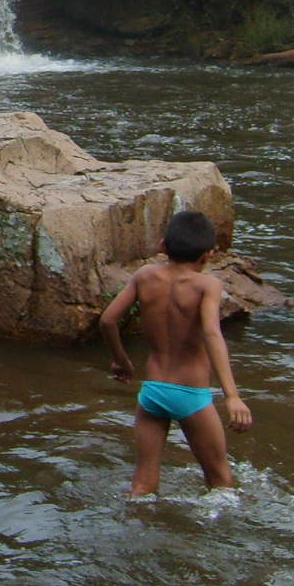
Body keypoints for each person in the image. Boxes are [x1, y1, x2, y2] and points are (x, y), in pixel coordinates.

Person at [99, 208, 253, 496]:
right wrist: (232, 396)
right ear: (207, 255)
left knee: (143, 484)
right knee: (220, 481)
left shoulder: (145, 276)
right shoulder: (207, 284)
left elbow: (108, 320)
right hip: (190, 394)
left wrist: (121, 361)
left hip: (153, 391)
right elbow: (211, 333)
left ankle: (137, 529)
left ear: (162, 246)